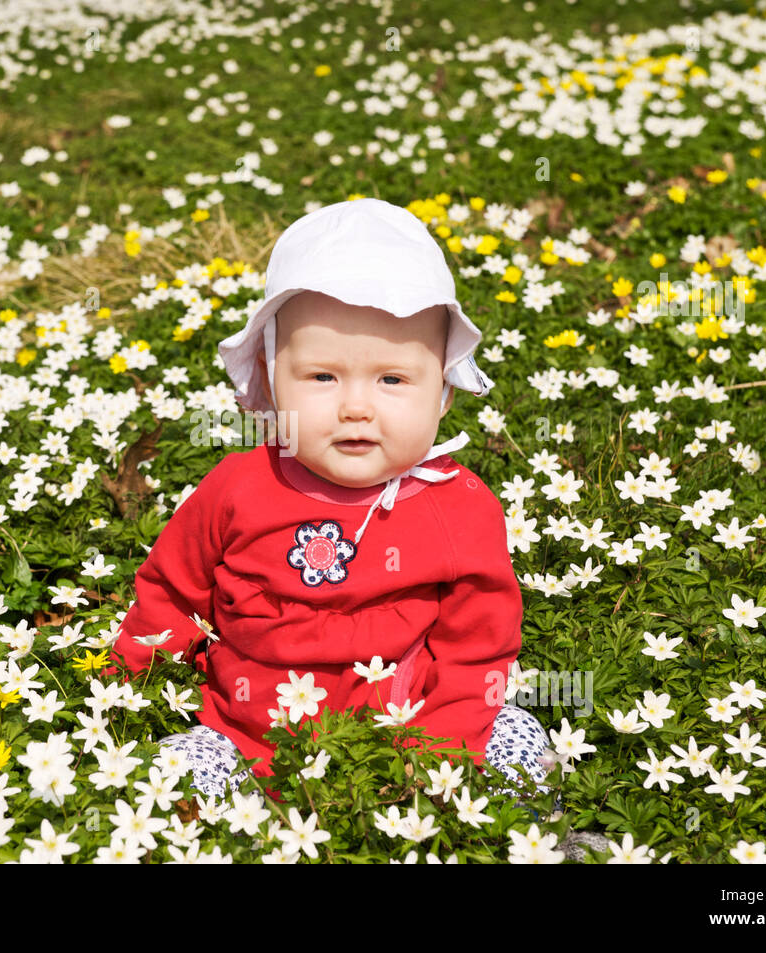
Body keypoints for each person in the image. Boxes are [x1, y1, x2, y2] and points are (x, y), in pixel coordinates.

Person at [108, 197, 555, 807]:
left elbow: (477, 645)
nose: (356, 407)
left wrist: (441, 754)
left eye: (392, 379)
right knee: (168, 785)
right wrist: (126, 690)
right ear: (270, 380)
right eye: (323, 377)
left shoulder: (462, 506)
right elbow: (173, 588)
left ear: (443, 395)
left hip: (408, 739)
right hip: (247, 738)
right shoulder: (239, 485)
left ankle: (530, 842)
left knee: (516, 742)